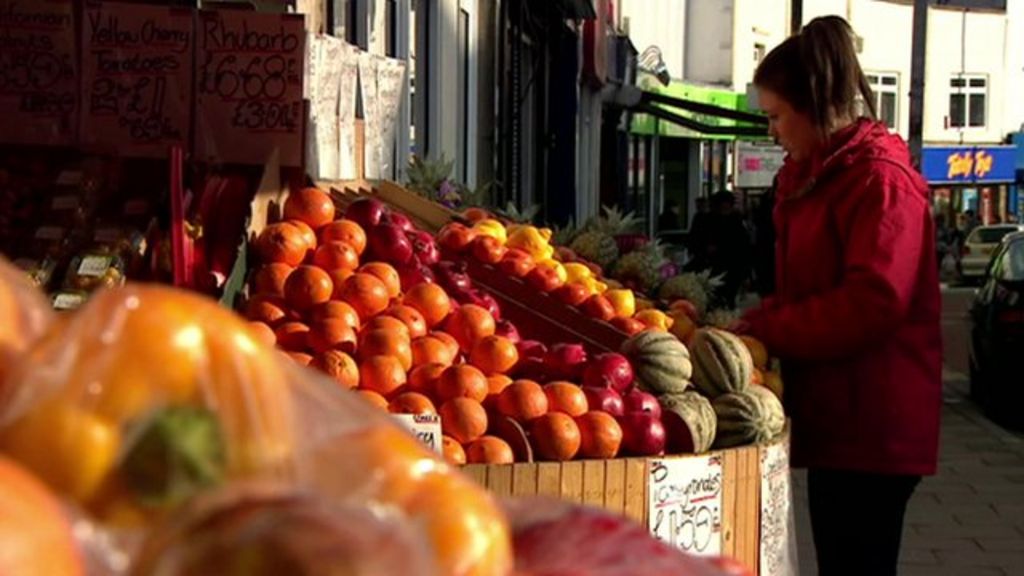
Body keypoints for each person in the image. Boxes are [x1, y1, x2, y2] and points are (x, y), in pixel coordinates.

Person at [735, 16, 941, 576]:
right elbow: (814, 287)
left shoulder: (878, 181)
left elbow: (872, 301)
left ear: (814, 106)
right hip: (842, 418)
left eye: (777, 117)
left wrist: (770, 327)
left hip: (874, 425)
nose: (773, 132)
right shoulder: (825, 173)